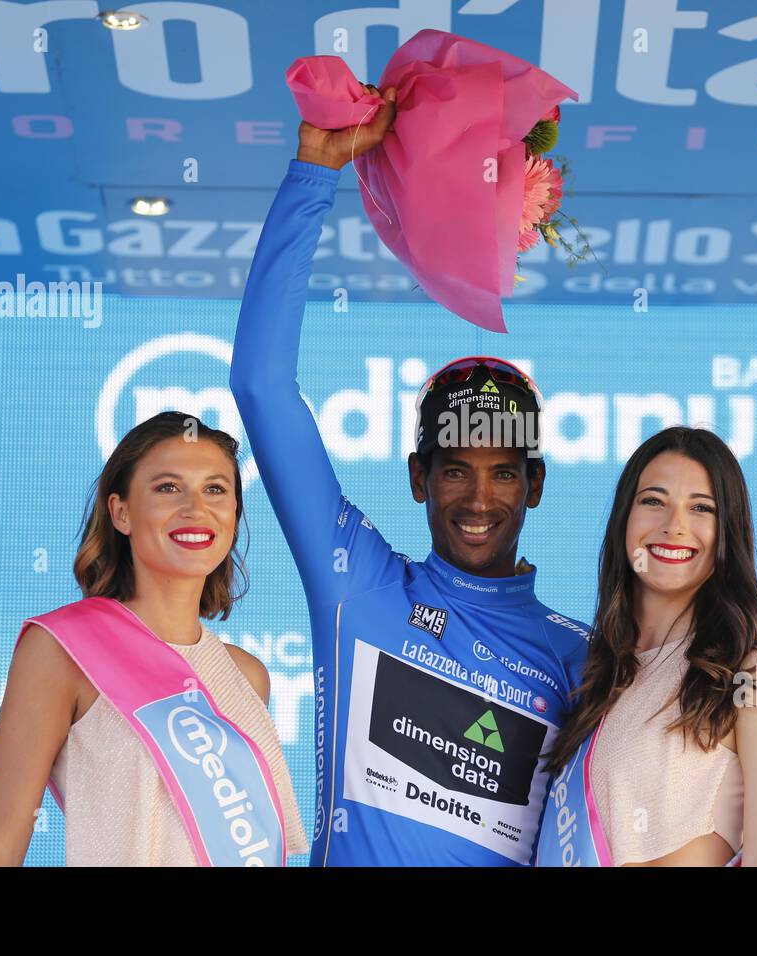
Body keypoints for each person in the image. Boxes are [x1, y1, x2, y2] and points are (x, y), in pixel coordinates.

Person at [229, 85, 591, 866]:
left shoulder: (583, 658)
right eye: (455, 470)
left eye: (503, 473)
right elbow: (261, 383)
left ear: (536, 484)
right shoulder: (358, 585)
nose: (479, 500)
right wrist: (313, 172)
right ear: (418, 478)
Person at [0, 411, 308, 866]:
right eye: (168, 487)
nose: (196, 508)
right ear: (121, 512)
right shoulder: (63, 649)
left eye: (215, 489)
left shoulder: (246, 676)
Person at [539, 426, 757, 867]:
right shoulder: (594, 675)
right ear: (625, 517)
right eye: (653, 501)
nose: (674, 526)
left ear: (728, 532)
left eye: (701, 508)